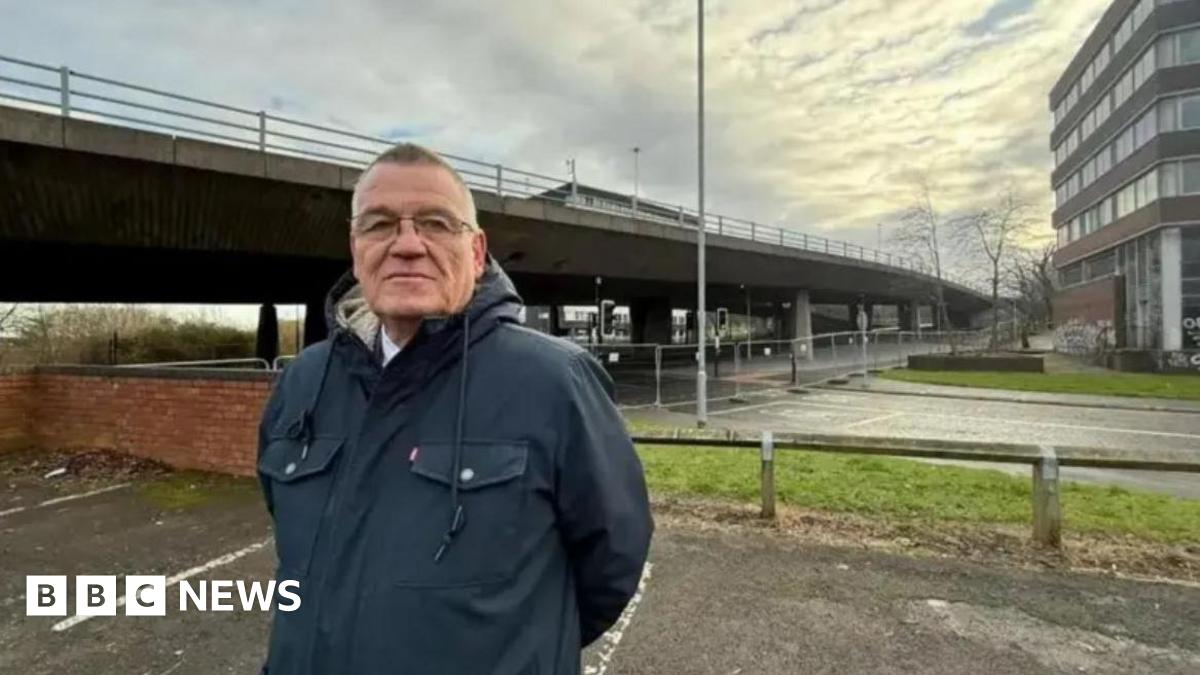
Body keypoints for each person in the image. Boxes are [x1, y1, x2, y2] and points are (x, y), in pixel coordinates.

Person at [256, 143, 653, 675]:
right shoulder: (303, 381)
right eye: (379, 225)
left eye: (436, 223)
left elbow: (611, 563)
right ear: (356, 249)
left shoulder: (554, 382)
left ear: (476, 250)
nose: (407, 245)